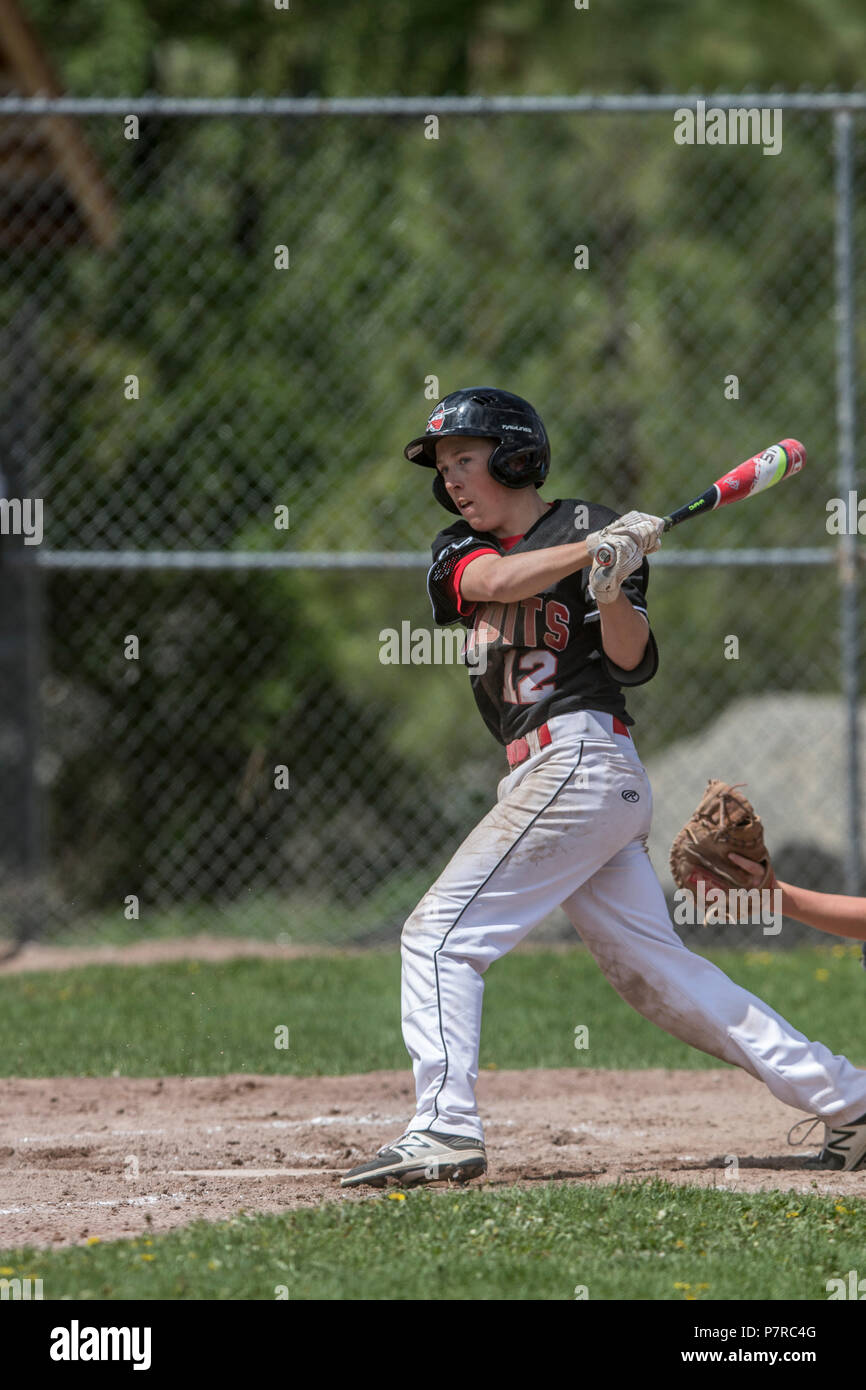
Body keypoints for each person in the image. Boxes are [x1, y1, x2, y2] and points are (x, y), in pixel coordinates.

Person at [340, 387, 866, 1188]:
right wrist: (594, 554)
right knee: (663, 980)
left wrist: (615, 585)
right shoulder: (459, 549)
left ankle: (444, 1127)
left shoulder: (597, 531)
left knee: (437, 935)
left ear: (517, 456)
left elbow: (630, 661)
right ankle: (853, 1102)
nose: (451, 479)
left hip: (582, 764)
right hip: (559, 780)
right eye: (443, 466)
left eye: (467, 460)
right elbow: (498, 583)